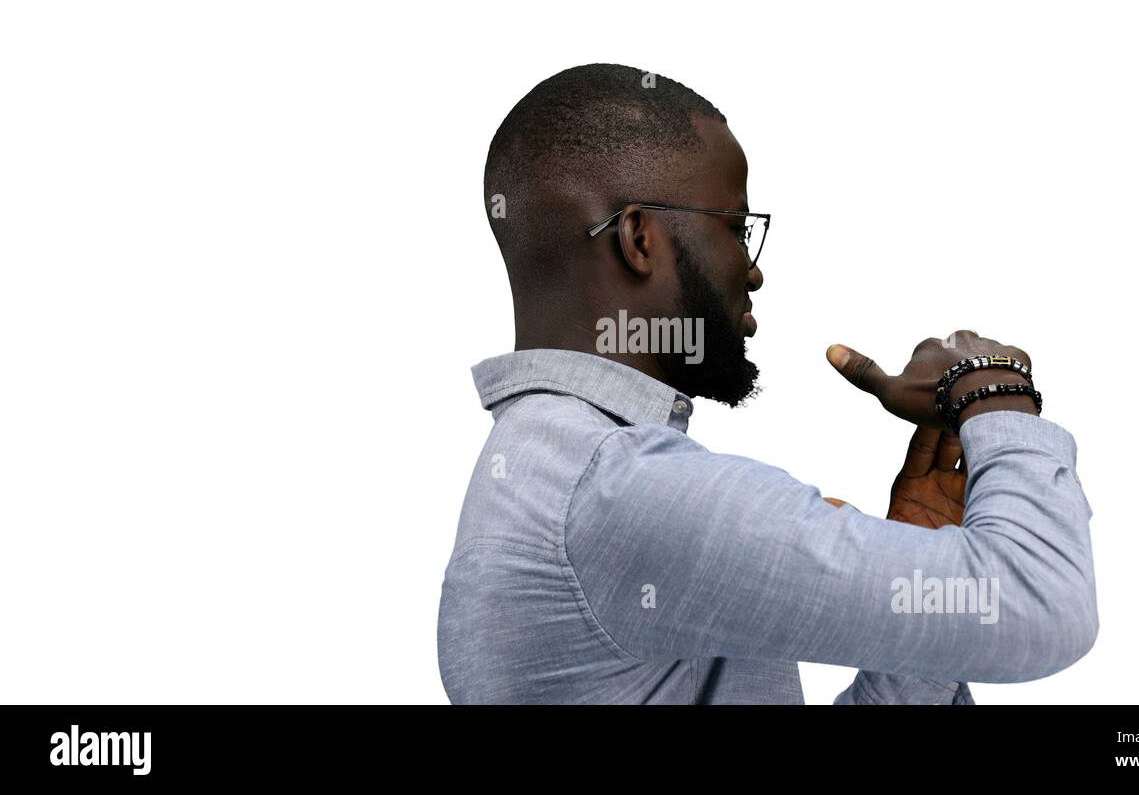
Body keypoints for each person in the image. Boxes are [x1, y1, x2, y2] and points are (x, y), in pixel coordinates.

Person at [437, 63, 1098, 704]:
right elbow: (1043, 602)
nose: (752, 272)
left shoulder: (535, 471)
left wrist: (925, 583)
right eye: (734, 228)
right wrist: (992, 390)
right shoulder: (624, 491)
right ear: (639, 237)